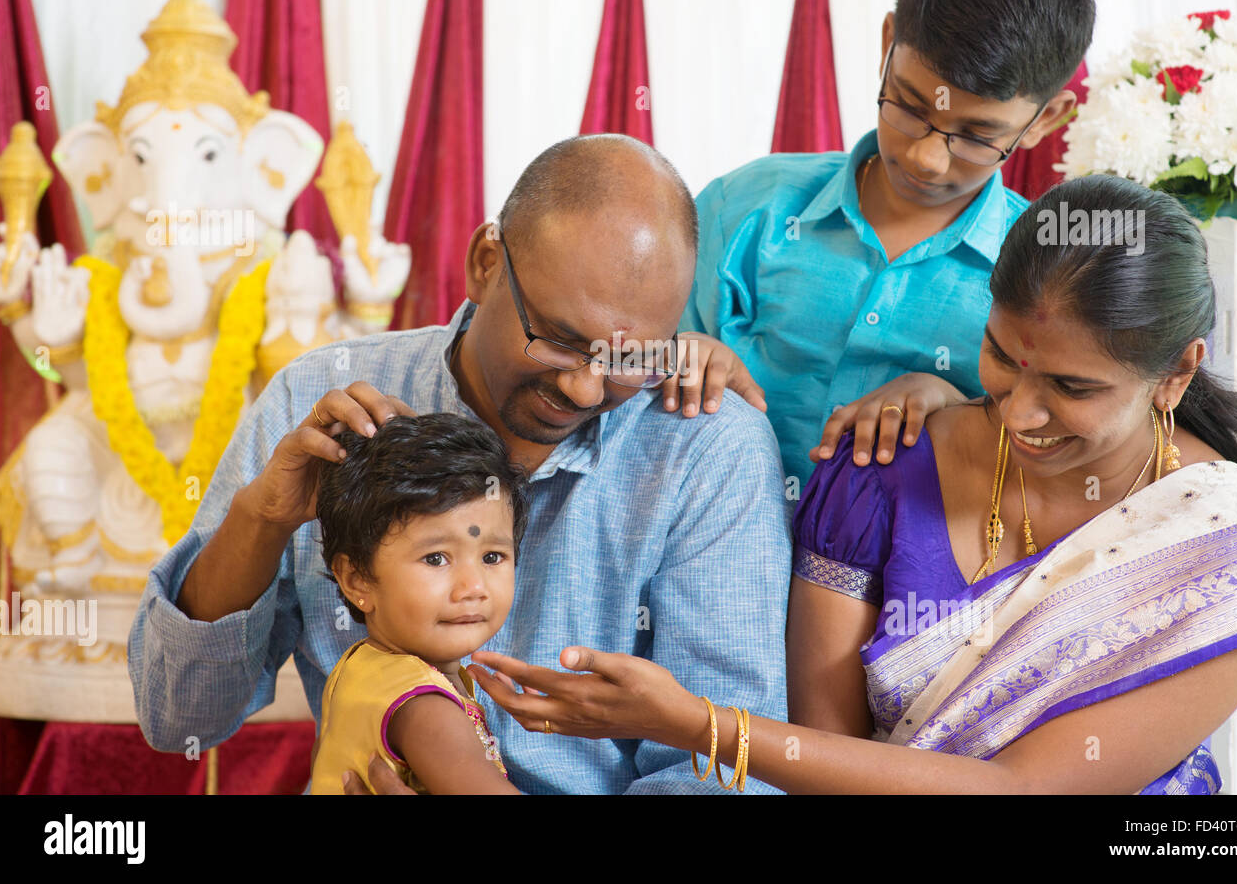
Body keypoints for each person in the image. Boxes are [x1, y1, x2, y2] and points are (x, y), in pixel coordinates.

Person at [454, 176, 1237, 794]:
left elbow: (1023, 792)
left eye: (1073, 390)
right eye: (1002, 357)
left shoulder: (1231, 549)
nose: (1022, 412)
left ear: (1177, 374)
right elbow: (826, 752)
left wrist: (691, 723)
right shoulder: (876, 469)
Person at [128, 134, 792, 794]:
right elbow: (178, 715)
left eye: (631, 358)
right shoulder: (317, 401)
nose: (587, 389)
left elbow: (722, 777)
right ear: (484, 263)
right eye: (559, 341)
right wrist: (263, 518)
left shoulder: (708, 450)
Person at [679, 0, 1095, 487]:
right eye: (908, 105)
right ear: (887, 43)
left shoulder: (1047, 275)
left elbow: (1058, 470)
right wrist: (678, 356)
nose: (926, 158)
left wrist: (958, 412)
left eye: (976, 135)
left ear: (1045, 119)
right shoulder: (746, 209)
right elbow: (618, 369)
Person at [309, 414, 526, 794]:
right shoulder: (424, 705)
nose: (472, 587)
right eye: (436, 559)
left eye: (492, 557)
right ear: (356, 577)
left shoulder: (360, 666)